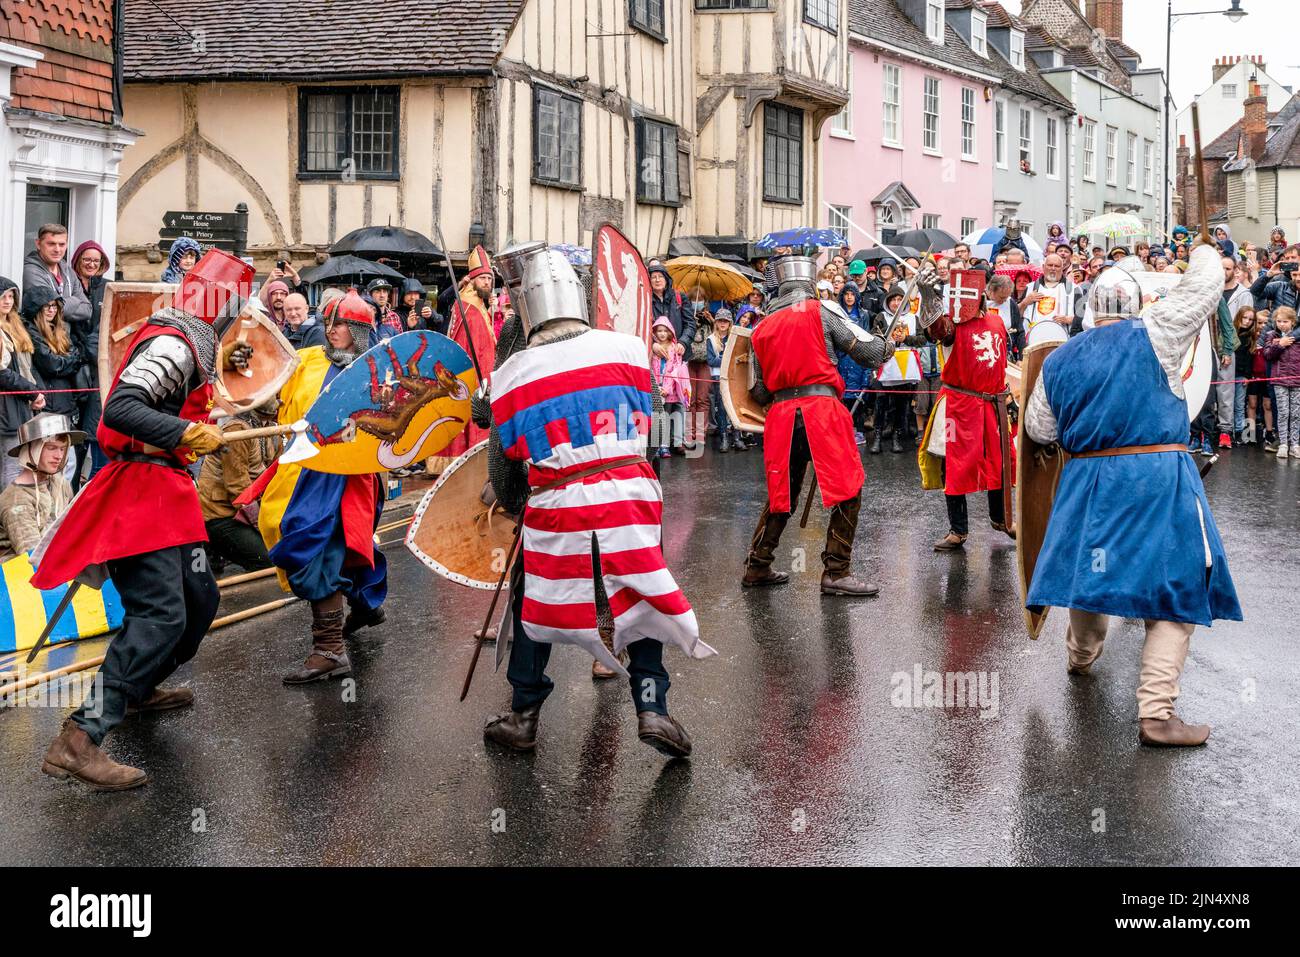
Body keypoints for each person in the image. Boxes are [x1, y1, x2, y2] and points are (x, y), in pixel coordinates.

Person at [32, 249, 257, 790]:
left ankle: (140, 687)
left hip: (170, 492)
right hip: (141, 492)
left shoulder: (188, 345)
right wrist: (183, 433)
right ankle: (79, 738)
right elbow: (121, 410)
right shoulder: (171, 344)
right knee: (160, 616)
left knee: (200, 600)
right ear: (219, 304)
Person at [478, 244, 711, 754]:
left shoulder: (513, 375)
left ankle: (523, 714)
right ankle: (652, 708)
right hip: (629, 496)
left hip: (557, 507)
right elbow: (651, 427)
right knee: (638, 596)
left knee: (533, 600)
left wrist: (521, 504)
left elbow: (504, 467)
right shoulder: (627, 348)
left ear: (528, 310)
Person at [1023, 238, 1241, 747]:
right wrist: (1206, 250)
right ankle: (1157, 715)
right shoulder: (1158, 331)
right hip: (1155, 480)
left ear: (1090, 311)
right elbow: (1207, 286)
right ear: (1137, 303)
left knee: (1090, 572)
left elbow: (1039, 429)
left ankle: (1080, 657)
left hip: (1089, 483)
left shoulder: (1059, 360)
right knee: (1173, 589)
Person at [741, 255, 928, 597]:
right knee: (847, 489)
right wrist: (885, 347)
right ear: (809, 283)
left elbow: (759, 390)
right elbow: (869, 353)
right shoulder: (822, 311)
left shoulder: (762, 327)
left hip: (782, 418)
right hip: (820, 412)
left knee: (782, 494)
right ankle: (837, 572)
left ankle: (758, 564)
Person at [255, 291, 388, 683]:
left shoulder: (377, 372)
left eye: (343, 324)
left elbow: (383, 430)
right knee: (306, 536)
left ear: (361, 330)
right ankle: (365, 604)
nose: (332, 331)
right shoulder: (310, 359)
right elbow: (276, 394)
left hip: (348, 477)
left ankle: (329, 649)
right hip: (304, 470)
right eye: (329, 322)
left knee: (320, 548)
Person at [920, 271, 1015, 551]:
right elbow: (936, 328)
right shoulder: (952, 328)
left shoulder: (997, 321)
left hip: (992, 404)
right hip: (960, 406)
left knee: (999, 461)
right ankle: (958, 530)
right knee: (956, 466)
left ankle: (1000, 519)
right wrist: (928, 298)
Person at [198, 399, 281, 572]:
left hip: (248, 509)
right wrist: (261, 526)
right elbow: (236, 486)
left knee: (285, 553)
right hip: (221, 515)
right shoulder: (236, 429)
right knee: (268, 561)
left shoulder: (272, 430)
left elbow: (275, 476)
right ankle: (213, 546)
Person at [21, 286, 84, 484]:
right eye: (46, 306)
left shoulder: (60, 330)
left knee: (67, 463)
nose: (51, 310)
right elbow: (51, 364)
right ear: (36, 309)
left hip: (64, 403)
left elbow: (76, 355)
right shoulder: (30, 330)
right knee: (48, 462)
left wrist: (66, 360)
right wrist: (68, 360)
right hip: (48, 404)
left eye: (54, 306)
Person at [0, 413, 82, 562]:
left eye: (63, 449)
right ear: (33, 449)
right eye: (51, 448)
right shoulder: (16, 501)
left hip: (58, 563)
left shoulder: (60, 483)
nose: (58, 456)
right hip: (22, 576)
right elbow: (35, 558)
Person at [442, 246, 497, 463]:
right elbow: (468, 346)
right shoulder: (467, 306)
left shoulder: (479, 305)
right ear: (472, 280)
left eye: (489, 278)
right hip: (471, 376)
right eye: (482, 278)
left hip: (482, 375)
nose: (487, 283)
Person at [69, 241, 109, 485]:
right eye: (87, 260)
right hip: (76, 364)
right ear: (78, 261)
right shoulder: (71, 284)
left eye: (96, 260)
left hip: (94, 365)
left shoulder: (106, 287)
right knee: (77, 444)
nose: (91, 264)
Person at [871, 285, 928, 454]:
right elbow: (874, 336)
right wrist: (887, 339)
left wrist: (906, 338)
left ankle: (897, 437)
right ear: (888, 301)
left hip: (906, 367)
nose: (896, 303)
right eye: (893, 299)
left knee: (902, 404)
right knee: (881, 401)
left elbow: (922, 339)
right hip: (886, 364)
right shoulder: (881, 317)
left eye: (899, 299)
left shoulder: (913, 318)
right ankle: (878, 437)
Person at [0, 277, 46, 484]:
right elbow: (3, 374)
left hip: (18, 406)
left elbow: (25, 368)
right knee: (10, 469)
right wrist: (33, 392)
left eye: (11, 296)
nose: (7, 301)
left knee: (18, 466)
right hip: (5, 408)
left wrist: (35, 392)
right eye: (2, 297)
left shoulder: (14, 327)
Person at [21, 223, 91, 328]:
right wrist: (75, 300)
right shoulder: (31, 271)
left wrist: (59, 303)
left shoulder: (67, 270)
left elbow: (87, 309)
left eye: (62, 244)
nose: (57, 249)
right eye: (51, 244)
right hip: (41, 339)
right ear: (38, 244)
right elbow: (46, 310)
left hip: (66, 340)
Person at [1215, 256, 1252, 448]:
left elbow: (1232, 326)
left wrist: (1228, 350)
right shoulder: (1208, 291)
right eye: (1221, 268)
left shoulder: (1242, 294)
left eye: (1228, 268)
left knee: (1227, 392)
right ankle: (1201, 432)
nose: (1224, 272)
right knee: (1206, 394)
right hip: (1206, 348)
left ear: (1234, 270)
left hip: (1228, 348)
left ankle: (1226, 431)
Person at [1262, 306, 1300, 458]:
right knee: (1283, 413)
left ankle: (1295, 444)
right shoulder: (1271, 335)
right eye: (1279, 321)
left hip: (1297, 380)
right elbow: (1267, 355)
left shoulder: (1297, 336)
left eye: (1285, 321)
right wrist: (1280, 344)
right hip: (1280, 380)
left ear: (1293, 322)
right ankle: (1283, 443)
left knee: (1296, 414)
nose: (1282, 324)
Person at [706, 309, 746, 452]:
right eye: (720, 321)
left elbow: (739, 358)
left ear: (730, 323)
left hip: (734, 377)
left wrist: (723, 359)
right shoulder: (710, 339)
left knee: (734, 408)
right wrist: (726, 359)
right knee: (722, 409)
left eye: (725, 321)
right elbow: (711, 361)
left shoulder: (734, 338)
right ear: (716, 322)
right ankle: (724, 437)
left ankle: (737, 437)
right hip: (718, 377)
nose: (723, 323)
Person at [650, 317, 691, 457]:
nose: (662, 334)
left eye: (665, 331)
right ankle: (657, 446)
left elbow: (674, 370)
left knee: (669, 417)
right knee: (658, 417)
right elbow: (650, 368)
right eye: (659, 331)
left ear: (670, 332)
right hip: (657, 388)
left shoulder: (675, 349)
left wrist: (666, 389)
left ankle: (667, 445)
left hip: (670, 390)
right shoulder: (652, 349)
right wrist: (655, 387)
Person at [1019, 254, 1077, 345]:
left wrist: (1068, 319)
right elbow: (1016, 316)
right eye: (1050, 265)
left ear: (1062, 269)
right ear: (1043, 267)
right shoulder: (1030, 288)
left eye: (1057, 266)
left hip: (1062, 342)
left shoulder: (1074, 289)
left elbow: (1083, 319)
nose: (1053, 268)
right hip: (1033, 342)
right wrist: (1024, 302)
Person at [685, 304, 714, 450]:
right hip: (689, 362)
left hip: (705, 363)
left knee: (702, 399)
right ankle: (690, 434)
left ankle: (701, 434)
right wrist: (691, 322)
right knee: (690, 400)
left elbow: (722, 335)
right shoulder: (687, 319)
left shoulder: (709, 322)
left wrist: (712, 321)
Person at [647, 263, 695, 352]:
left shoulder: (679, 297)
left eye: (660, 276)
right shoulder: (646, 299)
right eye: (653, 277)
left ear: (666, 279)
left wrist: (683, 342)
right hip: (655, 354)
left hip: (678, 353)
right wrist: (652, 344)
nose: (657, 280)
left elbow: (690, 324)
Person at [987, 274, 1024, 359]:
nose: (1004, 301)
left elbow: (1019, 331)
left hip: (1005, 350)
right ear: (992, 290)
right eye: (1001, 297)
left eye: (1006, 297)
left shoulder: (1010, 302)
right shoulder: (982, 300)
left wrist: (1022, 358)